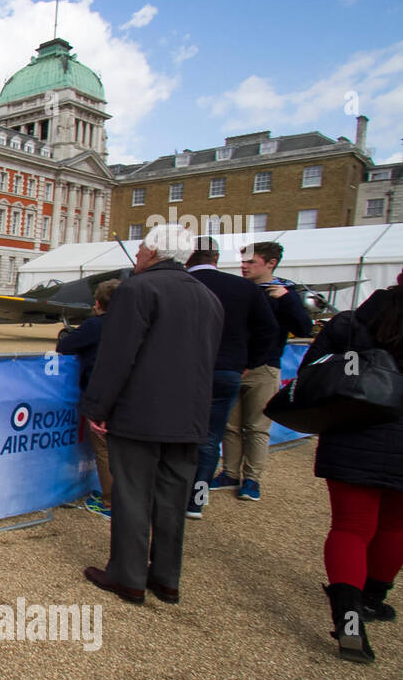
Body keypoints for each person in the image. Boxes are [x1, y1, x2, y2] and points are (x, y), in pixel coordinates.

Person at [79, 224, 223, 604]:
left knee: (133, 494)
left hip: (141, 413)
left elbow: (117, 356)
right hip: (189, 416)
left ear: (155, 251)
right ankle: (166, 577)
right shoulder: (208, 296)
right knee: (173, 499)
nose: (138, 254)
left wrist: (98, 407)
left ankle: (127, 575)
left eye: (142, 248)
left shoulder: (137, 289)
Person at [301, 270, 403, 663]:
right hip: (372, 432)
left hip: (356, 431)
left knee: (351, 527)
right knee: (393, 524)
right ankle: (373, 598)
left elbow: (314, 371)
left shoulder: (351, 324)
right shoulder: (351, 323)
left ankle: (349, 616)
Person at [184, 237, 278, 518]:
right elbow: (269, 330)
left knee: (174, 433)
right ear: (216, 258)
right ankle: (195, 501)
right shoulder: (244, 288)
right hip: (227, 370)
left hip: (185, 371)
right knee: (211, 438)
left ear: (189, 258)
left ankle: (168, 494)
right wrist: (248, 363)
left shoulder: (180, 284)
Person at [215, 241, 312, 501]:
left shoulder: (284, 292)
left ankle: (253, 479)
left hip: (265, 366)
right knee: (230, 425)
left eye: (250, 262)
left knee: (257, 426)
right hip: (234, 366)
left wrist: (288, 299)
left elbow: (304, 327)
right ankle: (230, 473)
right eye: (243, 261)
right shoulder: (239, 289)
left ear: (270, 263)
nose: (243, 266)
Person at [56, 278, 122, 518]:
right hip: (129, 397)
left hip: (101, 396)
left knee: (104, 450)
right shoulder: (133, 323)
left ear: (97, 302)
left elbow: (65, 346)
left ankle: (110, 502)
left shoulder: (96, 325)